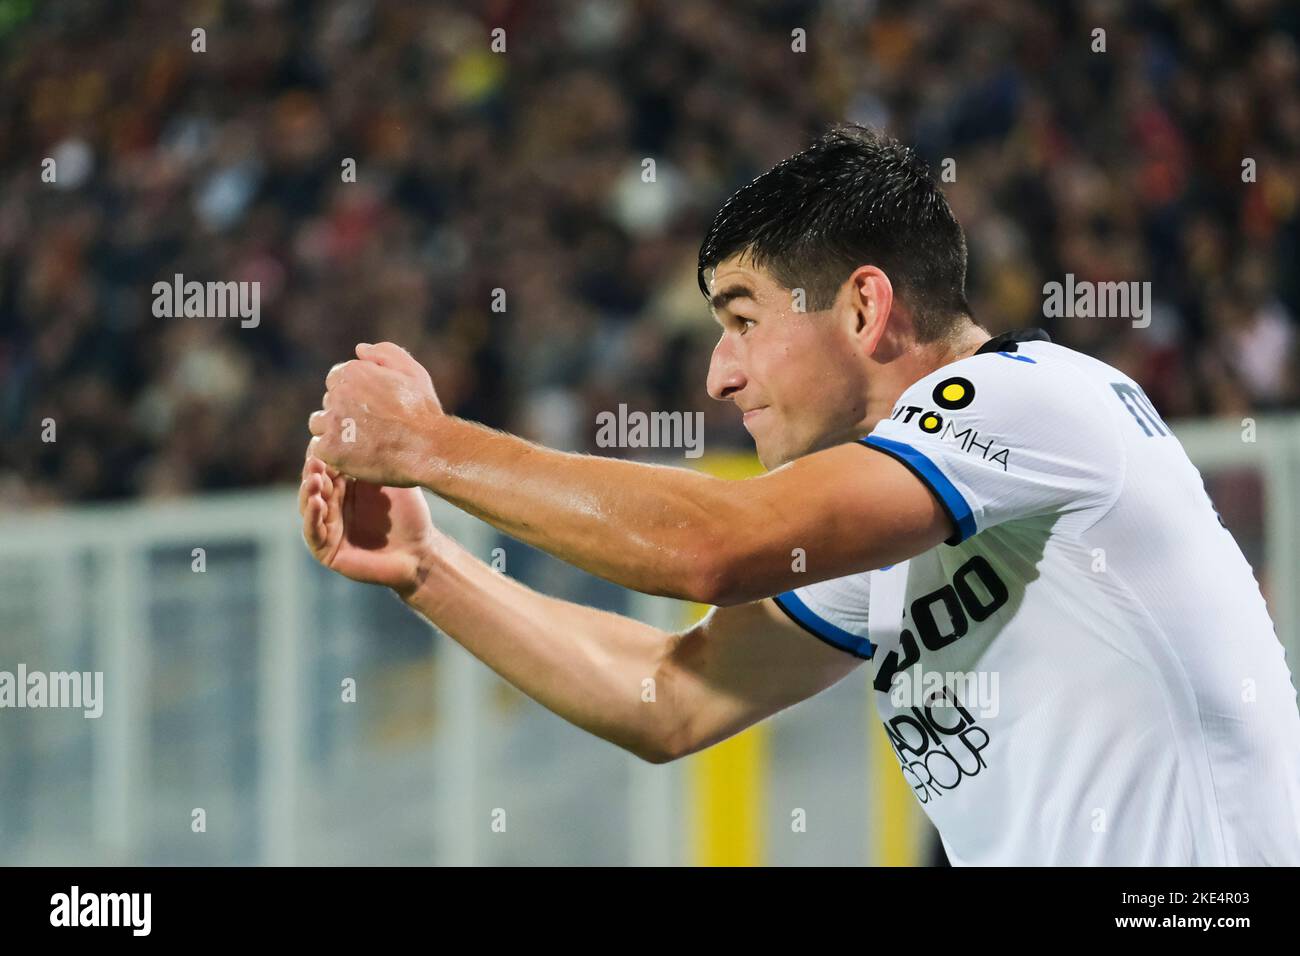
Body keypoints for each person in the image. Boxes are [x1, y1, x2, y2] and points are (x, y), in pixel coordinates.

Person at [299, 125, 1300, 865]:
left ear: (863, 305)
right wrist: (431, 570)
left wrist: (427, 445)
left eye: (742, 319)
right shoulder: (908, 515)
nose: (719, 376)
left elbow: (714, 546)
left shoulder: (1030, 399)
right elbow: (672, 695)